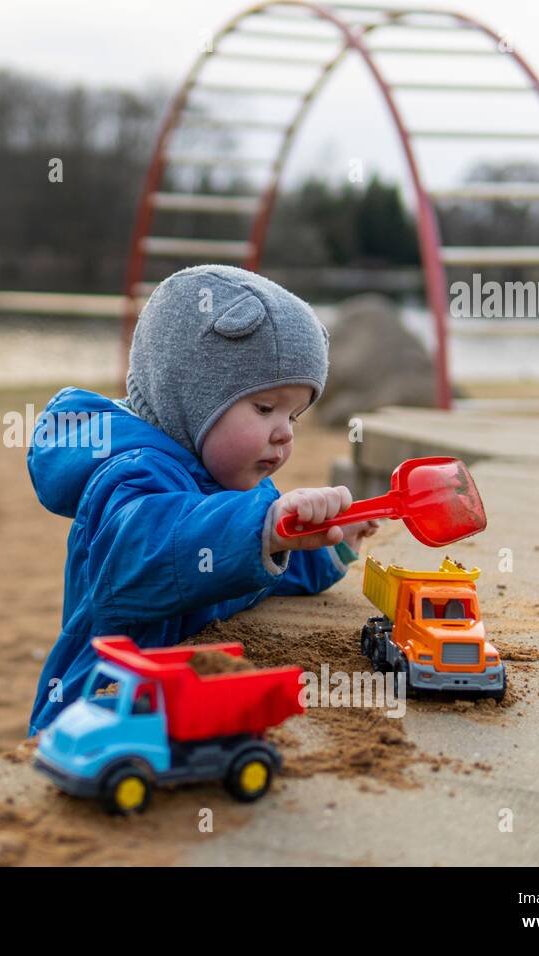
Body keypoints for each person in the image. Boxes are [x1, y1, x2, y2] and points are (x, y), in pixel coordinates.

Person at [26, 264, 379, 736]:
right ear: (188, 397)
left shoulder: (235, 487)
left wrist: (323, 544)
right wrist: (263, 526)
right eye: (264, 408)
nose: (283, 433)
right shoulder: (133, 474)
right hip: (96, 709)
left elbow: (254, 571)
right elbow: (150, 548)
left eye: (294, 415)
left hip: (175, 704)